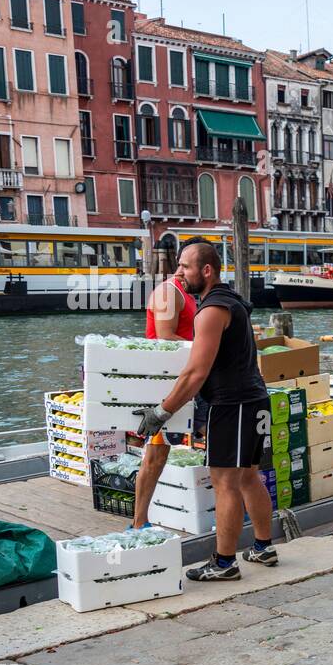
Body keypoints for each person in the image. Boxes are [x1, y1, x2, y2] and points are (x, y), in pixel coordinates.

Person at [134, 241, 275, 581]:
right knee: (247, 477)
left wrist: (161, 412)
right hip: (254, 399)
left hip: (231, 405)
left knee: (224, 482)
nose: (179, 272)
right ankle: (263, 546)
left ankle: (224, 564)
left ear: (206, 270)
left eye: (185, 266)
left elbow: (195, 373)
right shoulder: (232, 301)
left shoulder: (211, 310)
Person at [130, 250, 200, 529]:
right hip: (168, 381)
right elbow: (164, 336)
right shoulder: (168, 293)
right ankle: (138, 522)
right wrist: (206, 350)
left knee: (158, 453)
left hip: (185, 376)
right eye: (180, 265)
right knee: (156, 454)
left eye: (187, 266)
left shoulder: (187, 292)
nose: (182, 271)